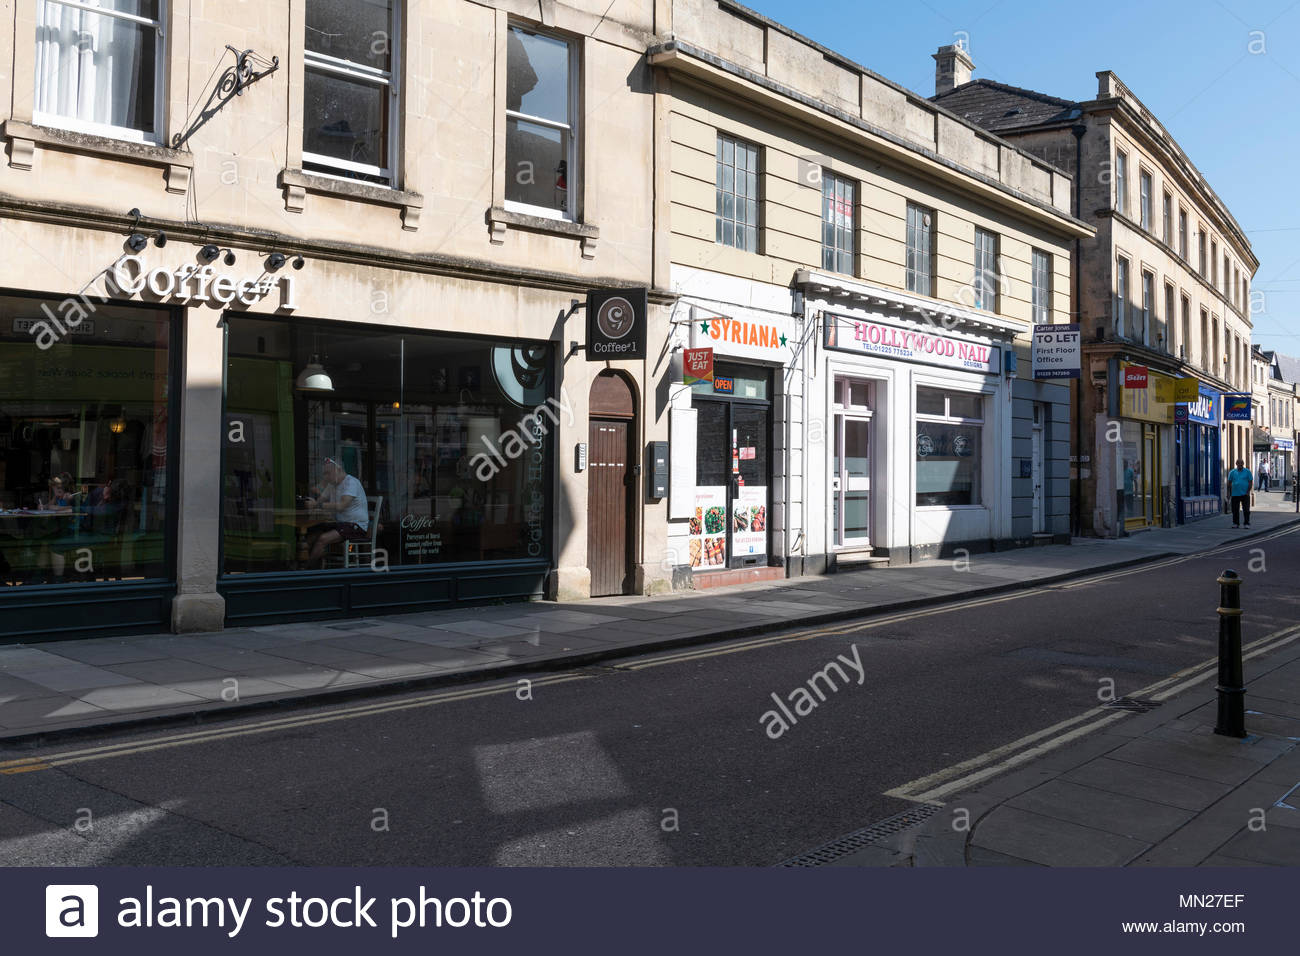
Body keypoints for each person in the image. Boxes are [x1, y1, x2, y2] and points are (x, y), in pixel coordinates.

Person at [304, 458, 369, 567]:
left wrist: (317, 505)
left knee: (322, 539)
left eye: (328, 473)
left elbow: (341, 506)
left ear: (338, 470)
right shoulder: (332, 484)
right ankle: (306, 563)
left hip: (356, 525)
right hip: (342, 524)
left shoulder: (351, 482)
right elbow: (320, 500)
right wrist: (312, 503)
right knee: (312, 534)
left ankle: (306, 569)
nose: (326, 477)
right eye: (324, 474)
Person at [1227, 459, 1254, 529]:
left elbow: (1250, 481)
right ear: (1236, 464)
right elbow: (1229, 483)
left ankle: (1246, 523)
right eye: (1239, 464)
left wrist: (1248, 491)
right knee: (1235, 510)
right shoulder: (1232, 472)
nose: (1240, 465)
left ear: (1243, 464)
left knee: (1246, 510)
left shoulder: (1247, 472)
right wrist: (1229, 493)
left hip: (1245, 494)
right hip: (1235, 494)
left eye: (1241, 464)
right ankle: (1235, 523)